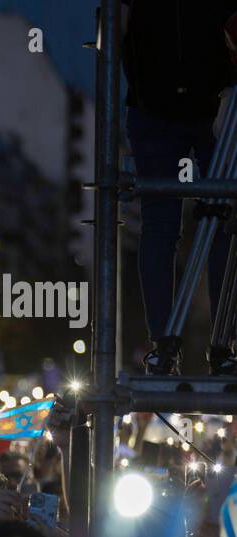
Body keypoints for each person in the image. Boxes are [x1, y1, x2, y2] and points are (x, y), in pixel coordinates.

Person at [124, 0, 237, 374]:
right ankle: (175, 343)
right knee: (168, 224)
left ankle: (213, 344)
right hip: (165, 107)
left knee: (219, 221)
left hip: (202, 103)